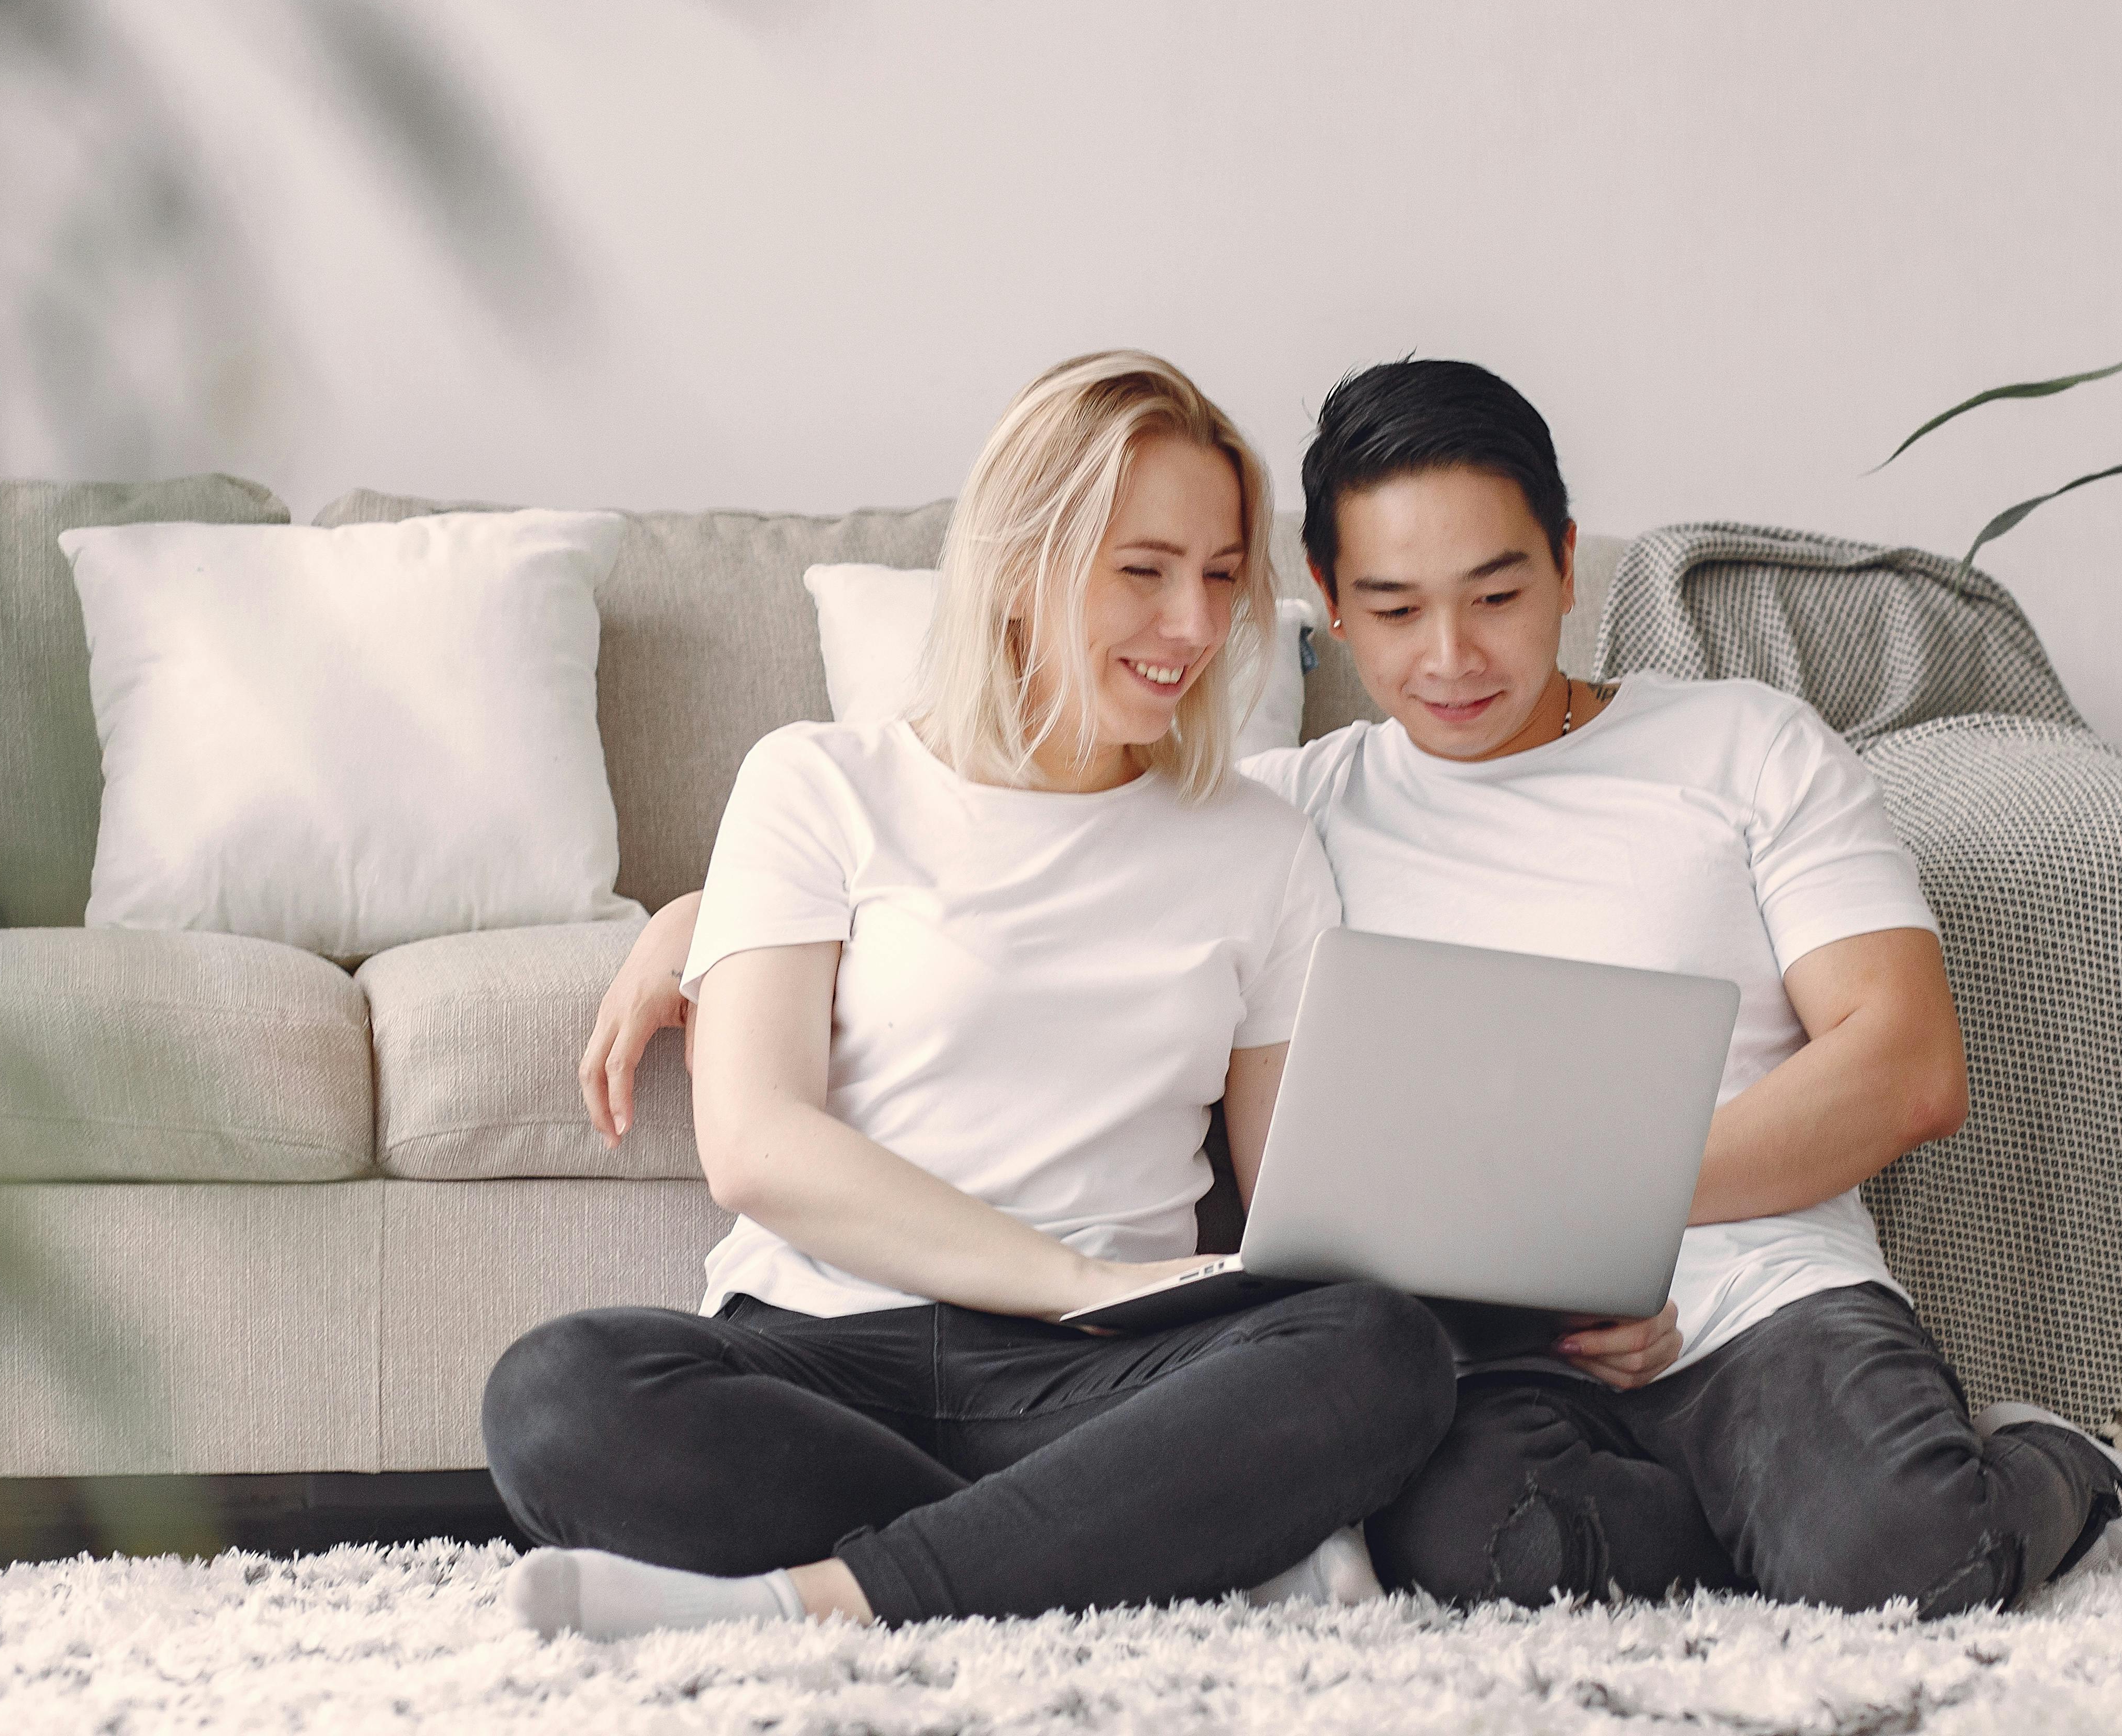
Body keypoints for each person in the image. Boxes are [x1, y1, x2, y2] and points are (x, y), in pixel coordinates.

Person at [587, 356, 2122, 1617]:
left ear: (1570, 561)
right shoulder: (1299, 806)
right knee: (1478, 1560)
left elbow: (1909, 1066)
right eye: (1392, 610)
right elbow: (1042, 872)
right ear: (1330, 610)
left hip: (1755, 1297)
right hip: (1496, 1339)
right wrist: (708, 916)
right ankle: (1100, 1545)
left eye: (1497, 595)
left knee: (1896, 1562)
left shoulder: (1745, 746)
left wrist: (1601, 1229)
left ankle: (2057, 1477)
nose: (1451, 657)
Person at [483, 350, 1457, 1641]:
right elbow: (759, 1145)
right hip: (825, 1345)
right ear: (1018, 563)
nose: (1196, 624)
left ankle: (823, 1598)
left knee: (1381, 1348)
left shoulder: (1261, 846)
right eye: (1144, 569)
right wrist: (1061, 1277)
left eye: (1224, 574)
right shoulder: (818, 781)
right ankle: (1156, 1541)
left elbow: (1299, 1207)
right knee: (556, 1391)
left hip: (1105, 1374)